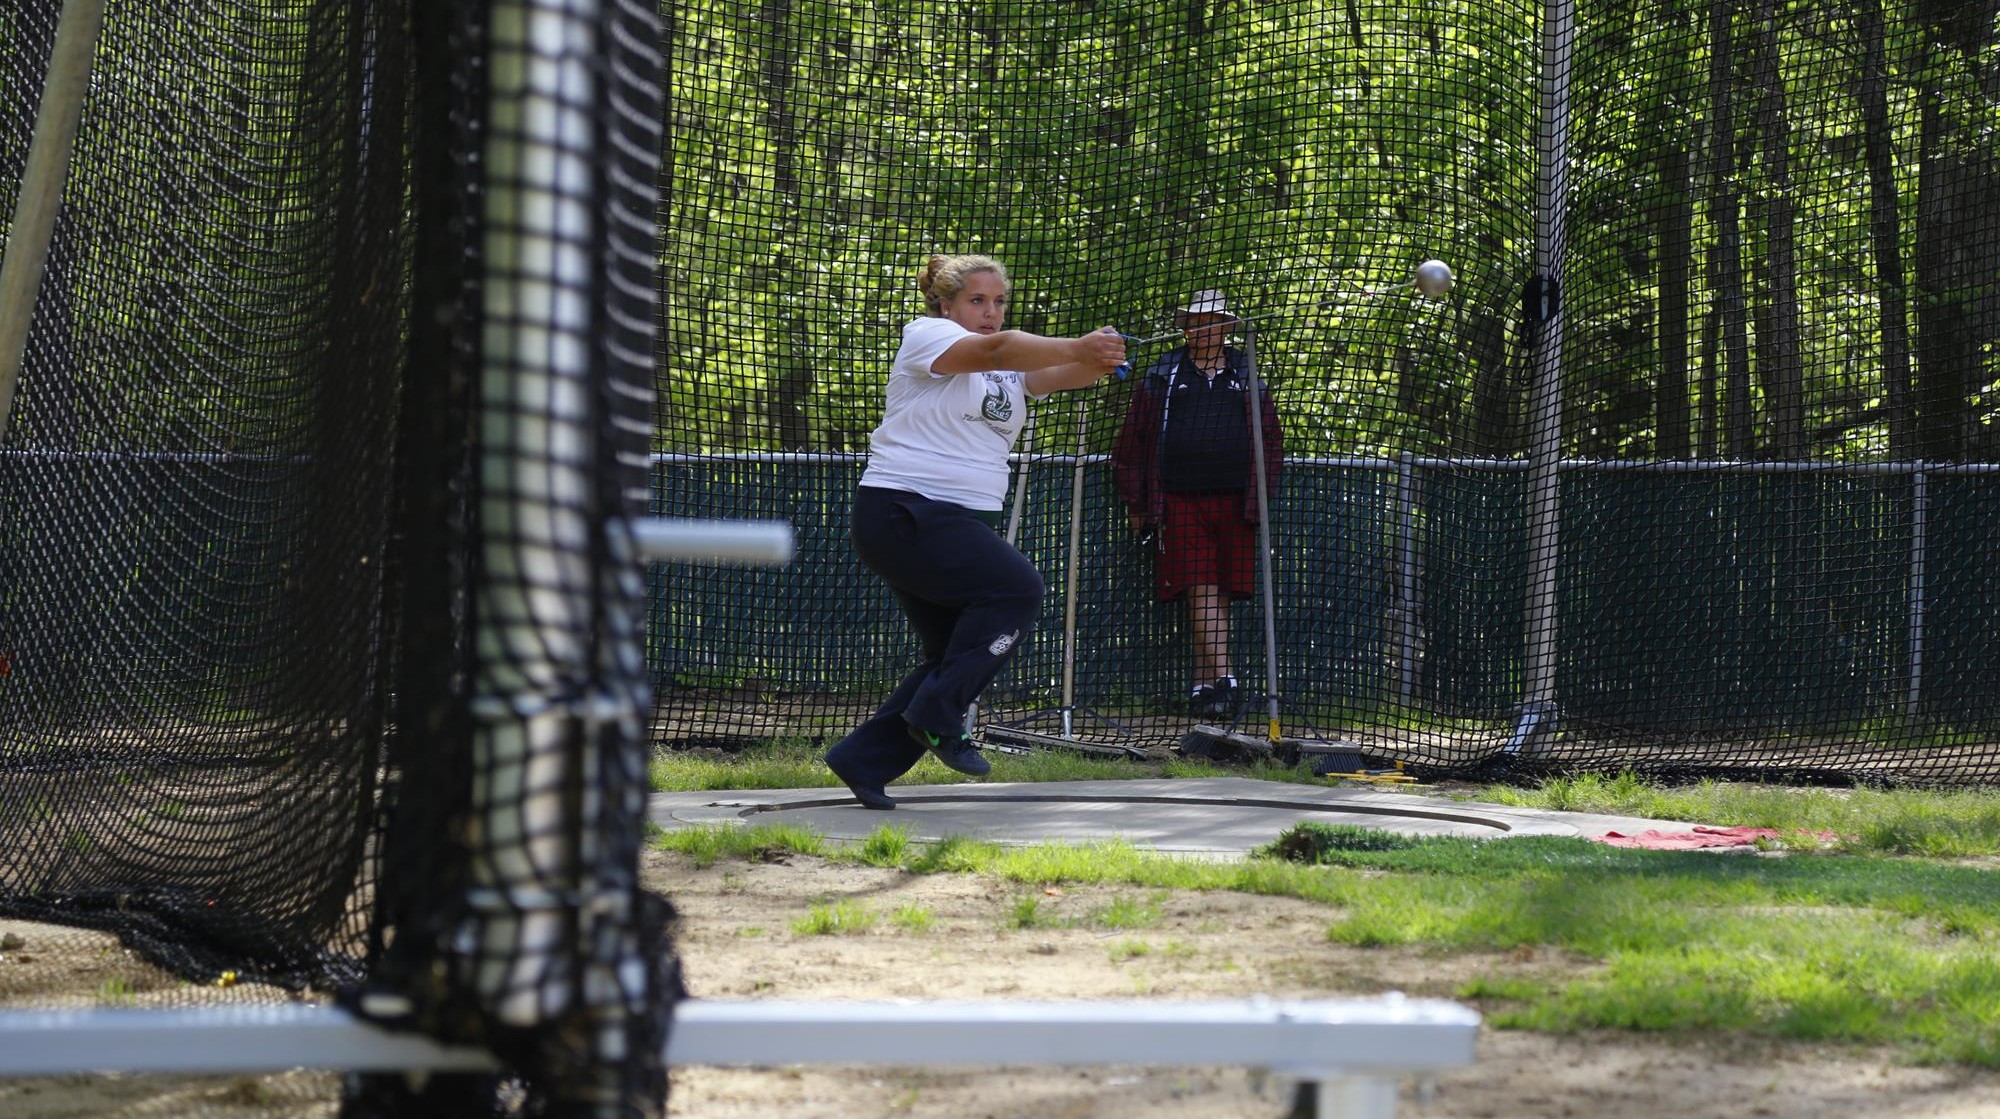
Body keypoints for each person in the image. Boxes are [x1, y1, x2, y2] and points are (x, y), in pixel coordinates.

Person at [823, 254, 1127, 810]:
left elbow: (1061, 375)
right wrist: (1076, 345)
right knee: (1016, 590)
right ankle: (940, 719)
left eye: (999, 302)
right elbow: (998, 347)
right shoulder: (929, 336)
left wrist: (1098, 358)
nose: (990, 313)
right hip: (905, 509)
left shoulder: (1008, 367)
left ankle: (862, 761)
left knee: (949, 654)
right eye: (977, 301)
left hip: (955, 519)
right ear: (946, 304)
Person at [1111, 289, 1283, 720]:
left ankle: (1205, 689)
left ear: (1227, 328)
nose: (1203, 330)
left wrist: (1262, 497)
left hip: (1236, 500)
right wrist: (1137, 502)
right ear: (1185, 327)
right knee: (1199, 583)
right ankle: (1228, 679)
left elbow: (1271, 441)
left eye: (1212, 322)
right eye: (1195, 322)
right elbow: (1132, 441)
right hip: (1178, 499)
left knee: (1220, 589)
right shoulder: (1163, 374)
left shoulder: (1248, 373)